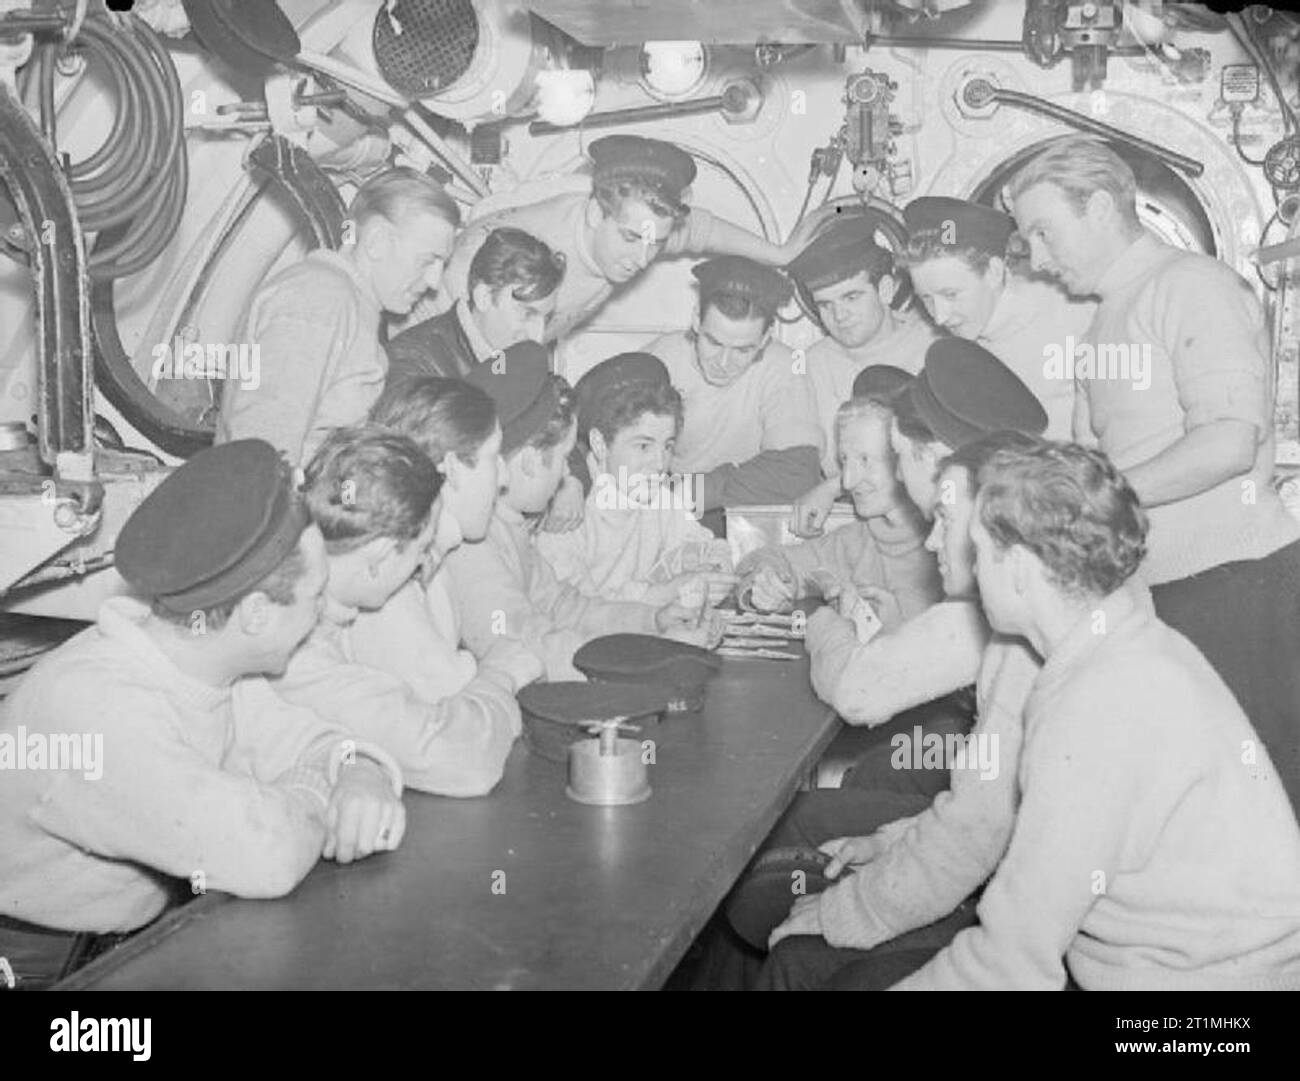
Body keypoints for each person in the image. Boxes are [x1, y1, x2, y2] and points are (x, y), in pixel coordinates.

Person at [894, 442, 1300, 991]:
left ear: (1017, 569)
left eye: (978, 550)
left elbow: (1007, 966)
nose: (968, 563)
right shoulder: (1121, 646)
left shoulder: (1098, 704)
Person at [0, 441, 405, 988]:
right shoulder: (95, 711)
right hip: (35, 969)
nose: (323, 613)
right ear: (257, 614)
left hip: (121, 943)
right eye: (315, 595)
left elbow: (310, 741)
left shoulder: (197, 662)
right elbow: (267, 855)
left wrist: (360, 773)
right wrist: (316, 786)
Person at [1009, 136, 1300, 813]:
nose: (1039, 260)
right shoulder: (1105, 319)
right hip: (1165, 594)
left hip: (1239, 589)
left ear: (1104, 206)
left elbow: (1229, 442)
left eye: (1046, 234)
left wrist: (1095, 497)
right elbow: (1098, 457)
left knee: (1268, 803)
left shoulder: (1190, 285)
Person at [752, 432, 1042, 991]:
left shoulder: (1051, 659)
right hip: (1014, 900)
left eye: (947, 523)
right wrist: (888, 845)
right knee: (794, 944)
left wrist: (853, 912)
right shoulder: (1018, 636)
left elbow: (979, 836)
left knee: (805, 952)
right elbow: (986, 817)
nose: (933, 541)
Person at [268, 427, 542, 797]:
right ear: (379, 559)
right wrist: (500, 678)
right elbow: (460, 761)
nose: (424, 566)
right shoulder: (299, 651)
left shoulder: (333, 612)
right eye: (421, 550)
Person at [442, 356, 722, 681]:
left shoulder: (507, 525)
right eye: (564, 459)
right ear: (530, 459)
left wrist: (654, 621)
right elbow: (525, 642)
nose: (568, 474)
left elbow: (566, 607)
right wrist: (651, 655)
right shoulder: (472, 544)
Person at [441, 134, 828, 342]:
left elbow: (701, 230)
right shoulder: (513, 255)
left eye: (655, 243)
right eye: (630, 238)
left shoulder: (636, 229)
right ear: (595, 213)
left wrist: (778, 253)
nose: (642, 259)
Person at [217, 167, 460, 465]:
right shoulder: (320, 297)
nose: (435, 281)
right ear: (377, 240)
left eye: (442, 264)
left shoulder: (350, 303)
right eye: (428, 260)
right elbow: (263, 447)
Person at [732, 388, 940, 634]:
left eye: (865, 460)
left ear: (907, 459)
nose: (849, 481)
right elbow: (767, 559)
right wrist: (766, 583)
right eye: (844, 461)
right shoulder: (858, 540)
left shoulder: (946, 549)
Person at [535, 351, 735, 603]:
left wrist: (715, 568)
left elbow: (707, 545)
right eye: (643, 446)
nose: (660, 463)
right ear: (599, 444)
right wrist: (666, 593)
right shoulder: (566, 509)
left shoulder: (658, 497)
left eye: (668, 446)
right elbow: (578, 610)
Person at [900, 195, 1093, 440]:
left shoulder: (1073, 313)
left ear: (994, 271)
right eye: (926, 299)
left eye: (950, 294)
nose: (939, 317)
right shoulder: (948, 347)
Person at [646, 256, 823, 515]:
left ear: (765, 339)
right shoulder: (661, 357)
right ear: (696, 319)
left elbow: (797, 472)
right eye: (714, 343)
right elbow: (598, 439)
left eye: (742, 350)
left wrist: (693, 492)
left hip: (740, 509)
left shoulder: (786, 365)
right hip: (662, 503)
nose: (723, 362)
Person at [786, 216, 936, 479]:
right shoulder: (813, 365)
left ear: (886, 290)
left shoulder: (933, 347)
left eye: (851, 297)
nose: (839, 315)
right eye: (825, 305)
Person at [384, 227, 566, 388]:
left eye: (546, 318)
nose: (537, 336)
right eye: (527, 314)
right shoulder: (410, 366)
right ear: (484, 296)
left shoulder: (504, 357)